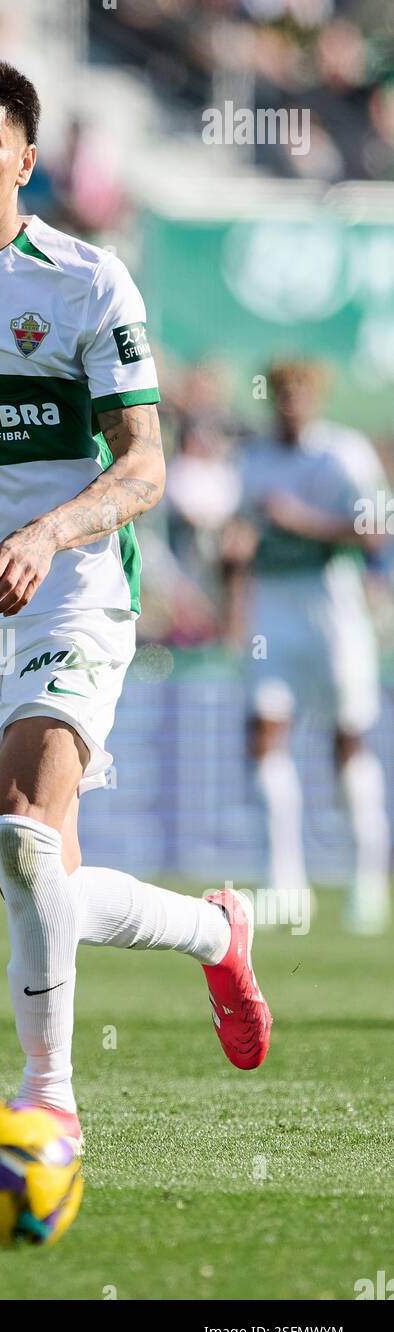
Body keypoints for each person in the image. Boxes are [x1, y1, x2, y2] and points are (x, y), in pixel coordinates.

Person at [0, 60, 272, 1150]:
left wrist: (46, 531)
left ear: (25, 161)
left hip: (72, 590)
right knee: (37, 883)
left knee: (26, 832)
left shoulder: (84, 282)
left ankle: (49, 1100)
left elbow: (143, 467)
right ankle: (213, 934)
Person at [227, 359, 390, 935]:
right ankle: (284, 885)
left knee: (348, 739)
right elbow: (238, 534)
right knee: (265, 732)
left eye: (301, 391)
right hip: (273, 602)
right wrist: (235, 562)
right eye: (281, 391)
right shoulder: (251, 459)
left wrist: (304, 522)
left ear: (316, 396)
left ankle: (366, 883)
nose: (290, 401)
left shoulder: (342, 453)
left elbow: (378, 529)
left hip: (332, 604)